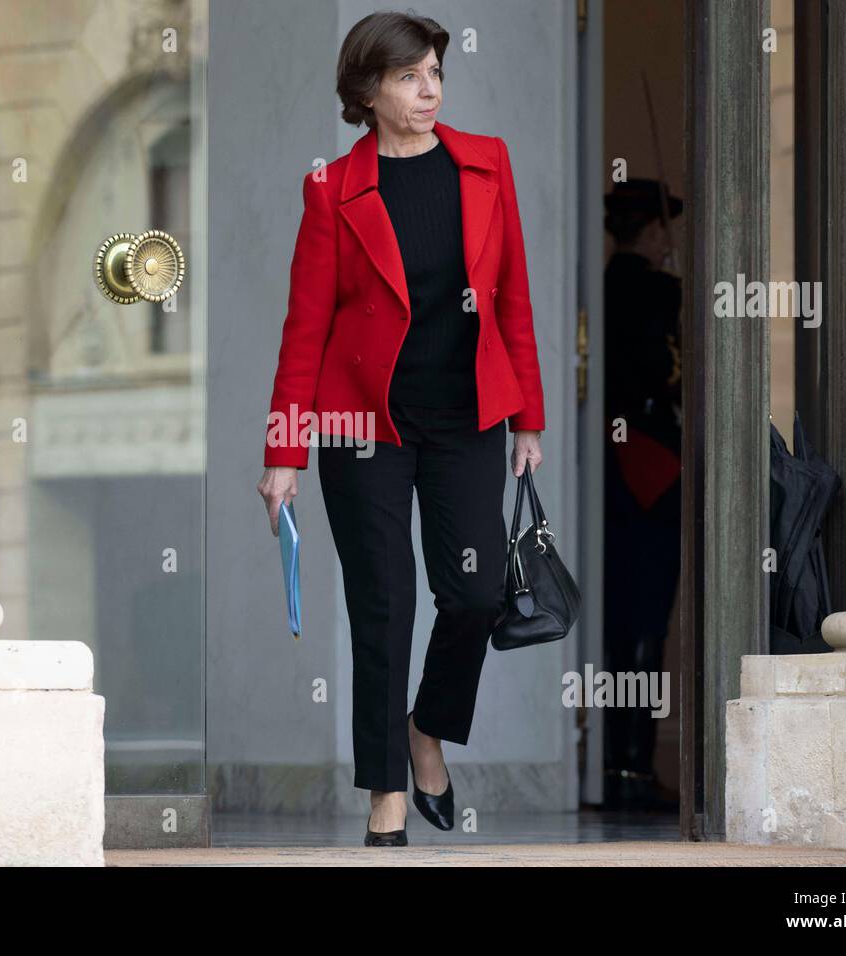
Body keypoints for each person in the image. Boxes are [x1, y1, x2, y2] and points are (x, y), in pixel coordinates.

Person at [256, 10, 547, 846]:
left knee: (476, 593)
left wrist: (527, 414)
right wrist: (285, 451)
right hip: (362, 427)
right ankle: (386, 793)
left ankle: (427, 727)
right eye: (409, 77)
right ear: (368, 92)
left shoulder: (485, 165)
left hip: (465, 421)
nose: (429, 91)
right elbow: (303, 329)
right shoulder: (333, 190)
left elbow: (512, 298)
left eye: (435, 75)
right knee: (382, 605)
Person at [601, 178, 683, 812]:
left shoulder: (600, 286)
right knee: (646, 622)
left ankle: (616, 764)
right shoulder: (660, 292)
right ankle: (630, 765)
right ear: (653, 232)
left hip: (610, 474)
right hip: (652, 474)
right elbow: (668, 373)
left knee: (616, 621)